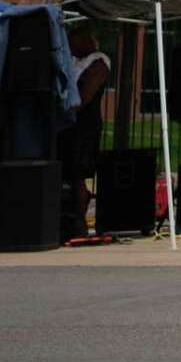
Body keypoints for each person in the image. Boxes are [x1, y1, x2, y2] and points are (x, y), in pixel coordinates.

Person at [56, 27, 111, 236]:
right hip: (67, 127)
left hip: (84, 128)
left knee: (78, 173)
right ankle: (65, 217)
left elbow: (83, 97)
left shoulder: (98, 62)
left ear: (84, 41)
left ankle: (79, 219)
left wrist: (68, 106)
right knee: (66, 171)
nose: (69, 46)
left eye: (72, 41)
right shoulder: (72, 61)